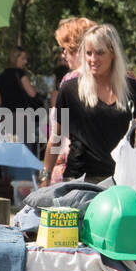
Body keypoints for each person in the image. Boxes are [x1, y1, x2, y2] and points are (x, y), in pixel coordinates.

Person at [48, 24, 136, 185]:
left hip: (123, 180)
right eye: (88, 53)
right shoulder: (70, 90)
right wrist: (44, 175)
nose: (93, 59)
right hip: (80, 180)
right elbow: (56, 137)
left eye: (100, 53)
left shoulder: (134, 90)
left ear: (113, 54)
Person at [41, 17, 96, 185]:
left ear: (76, 48)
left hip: (71, 166)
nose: (63, 54)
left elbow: (57, 135)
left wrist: (45, 175)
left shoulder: (71, 80)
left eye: (65, 49)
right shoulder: (111, 79)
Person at [0, 47, 42, 112]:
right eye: (23, 58)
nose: (25, 61)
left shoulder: (1, 76)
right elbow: (32, 93)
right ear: (15, 58)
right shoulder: (20, 73)